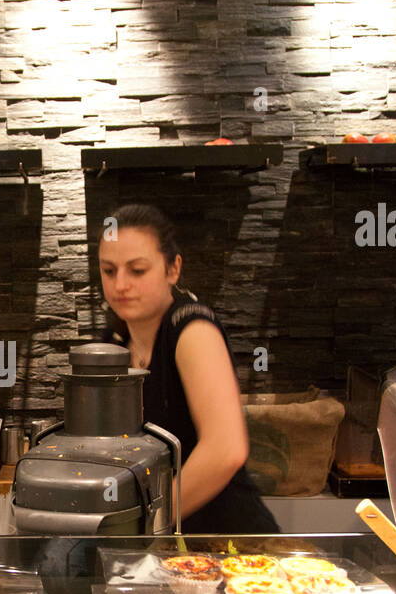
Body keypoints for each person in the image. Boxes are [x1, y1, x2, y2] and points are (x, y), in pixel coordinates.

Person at [97, 204, 278, 534]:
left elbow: (226, 450)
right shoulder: (114, 341)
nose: (120, 284)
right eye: (109, 271)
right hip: (165, 546)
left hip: (227, 541)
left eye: (137, 270)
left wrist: (148, 524)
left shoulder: (192, 330)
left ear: (172, 269)